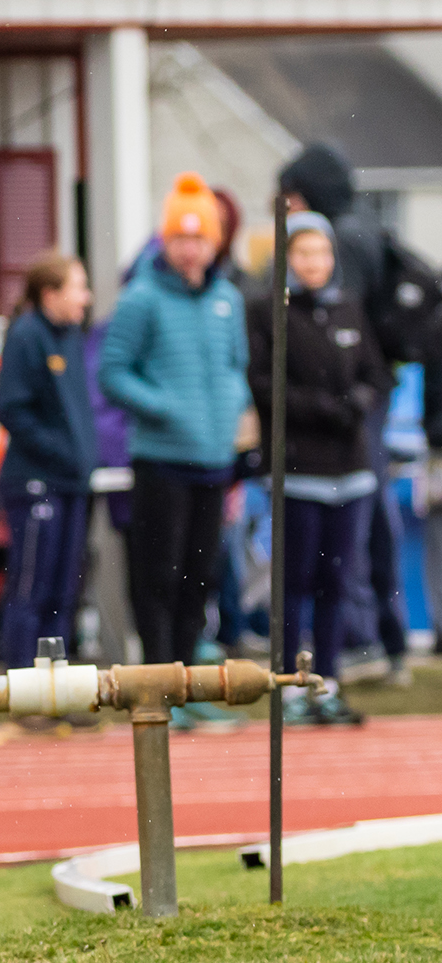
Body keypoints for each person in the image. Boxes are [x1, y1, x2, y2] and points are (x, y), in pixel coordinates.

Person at [98, 173, 249, 677]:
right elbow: (112, 372)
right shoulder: (142, 298)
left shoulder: (227, 299)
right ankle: (158, 679)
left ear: (214, 242)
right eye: (181, 238)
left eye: (200, 238)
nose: (191, 249)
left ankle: (184, 681)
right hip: (162, 459)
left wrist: (233, 410)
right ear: (166, 240)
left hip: (213, 460)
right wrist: (161, 404)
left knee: (199, 577)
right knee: (158, 574)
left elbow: (237, 368)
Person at [279, 144, 410, 687]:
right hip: (363, 406)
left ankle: (364, 639)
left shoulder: (340, 241)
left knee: (354, 535)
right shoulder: (365, 229)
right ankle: (385, 636)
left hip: (348, 420)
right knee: (371, 527)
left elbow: (340, 343)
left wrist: (343, 400)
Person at [247, 213, 385, 725]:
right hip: (298, 469)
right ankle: (287, 683)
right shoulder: (267, 312)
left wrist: (361, 400)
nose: (313, 264)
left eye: (321, 254)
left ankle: (327, 683)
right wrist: (324, 407)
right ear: (287, 259)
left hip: (349, 471)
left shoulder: (349, 308)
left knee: (336, 580)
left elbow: (375, 373)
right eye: (303, 254)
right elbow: (264, 384)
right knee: (294, 579)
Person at [0, 251, 96, 671]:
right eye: (78, 287)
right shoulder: (26, 336)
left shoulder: (70, 336)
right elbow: (11, 410)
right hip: (36, 481)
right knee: (32, 587)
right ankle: (22, 684)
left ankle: (57, 688)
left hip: (72, 482)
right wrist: (62, 452)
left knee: (64, 591)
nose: (86, 298)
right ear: (49, 293)